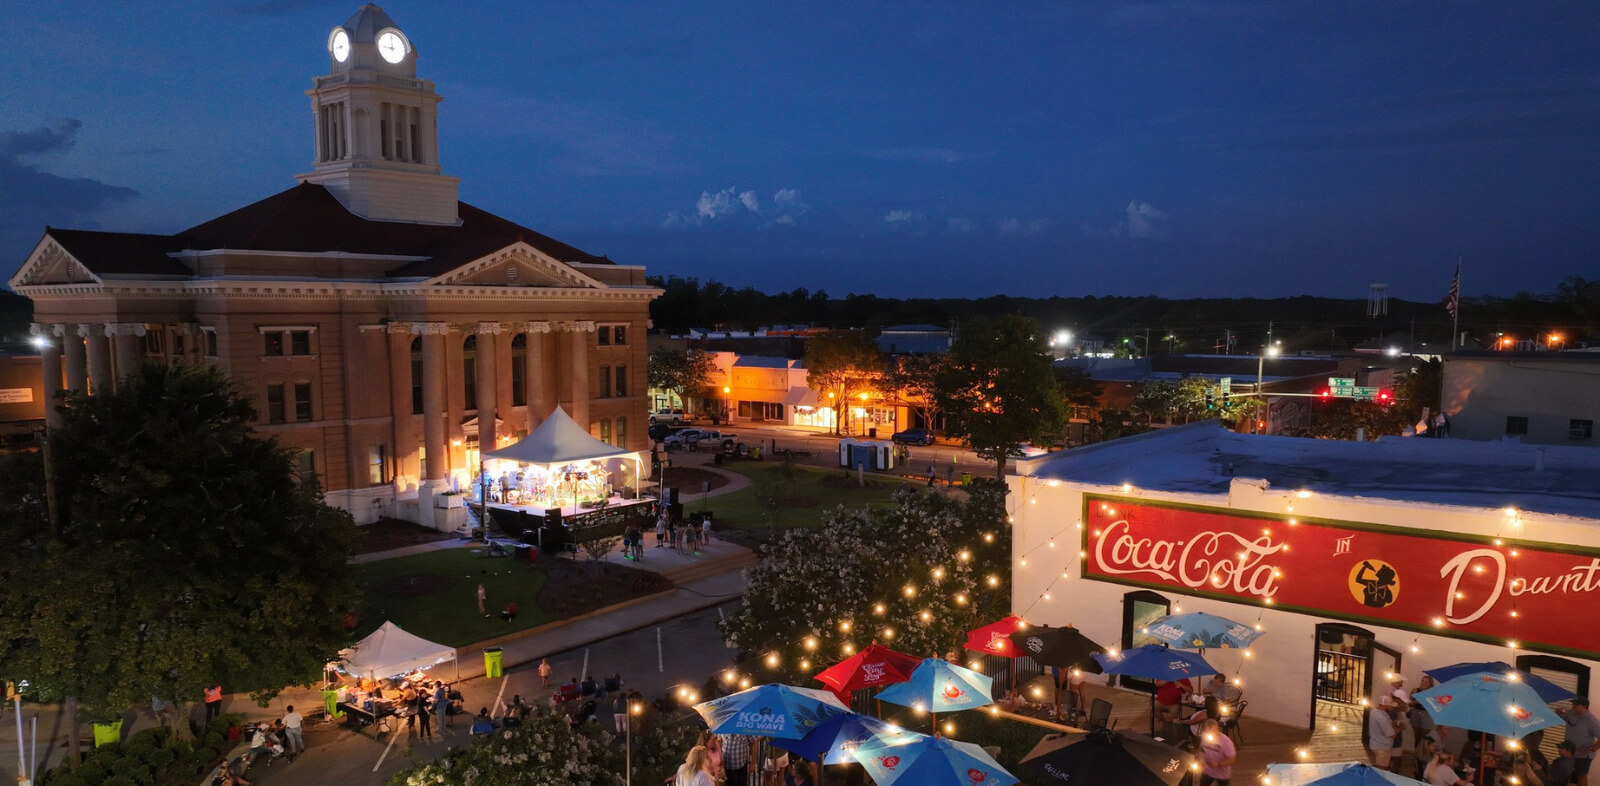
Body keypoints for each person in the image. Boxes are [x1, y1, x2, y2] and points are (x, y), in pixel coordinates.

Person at [1563, 697, 1600, 786]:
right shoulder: (1571, 713)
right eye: (1573, 704)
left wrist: (1592, 748)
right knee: (1565, 773)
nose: (1573, 706)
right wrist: (1559, 712)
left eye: (1576, 704)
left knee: (1581, 777)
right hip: (1569, 752)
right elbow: (1563, 716)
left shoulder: (1591, 721)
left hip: (1583, 756)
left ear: (1584, 706)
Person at [1195, 719, 1236, 786]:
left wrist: (1219, 764)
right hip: (1207, 771)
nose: (1209, 734)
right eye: (1207, 732)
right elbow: (1202, 750)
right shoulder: (1205, 736)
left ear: (1217, 729)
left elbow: (1232, 759)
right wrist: (1200, 758)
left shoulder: (1226, 742)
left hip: (1222, 774)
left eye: (1211, 731)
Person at [1368, 701, 1401, 772]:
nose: (1392, 708)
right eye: (1391, 706)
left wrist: (1392, 723)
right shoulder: (1382, 718)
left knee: (1380, 766)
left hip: (1375, 743)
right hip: (1381, 747)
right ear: (1385, 706)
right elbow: (1392, 735)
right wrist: (1399, 729)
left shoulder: (1374, 711)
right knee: (1381, 770)